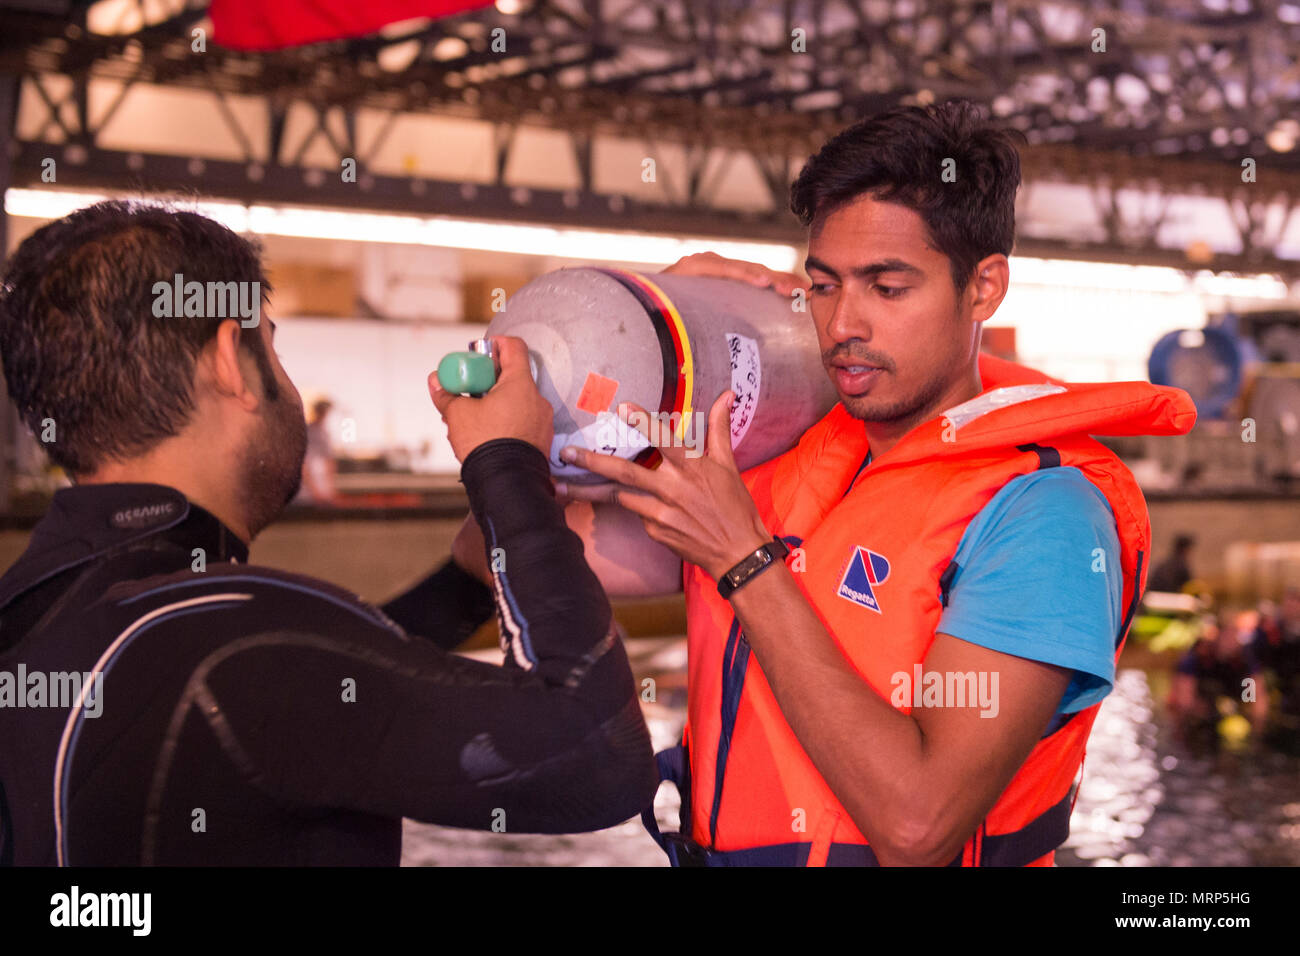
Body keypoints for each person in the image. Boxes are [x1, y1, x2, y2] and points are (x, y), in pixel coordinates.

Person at [462, 100, 1196, 866]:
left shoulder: (1044, 518)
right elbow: (502, 554)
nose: (844, 323)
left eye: (888, 288)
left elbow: (919, 829)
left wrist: (743, 560)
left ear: (984, 287)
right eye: (824, 285)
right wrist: (541, 426)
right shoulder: (781, 460)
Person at [0, 201, 656, 866]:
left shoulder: (37, 609)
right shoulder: (228, 636)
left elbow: (309, 692)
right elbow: (597, 757)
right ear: (231, 361)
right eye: (272, 344)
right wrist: (509, 471)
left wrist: (466, 581)